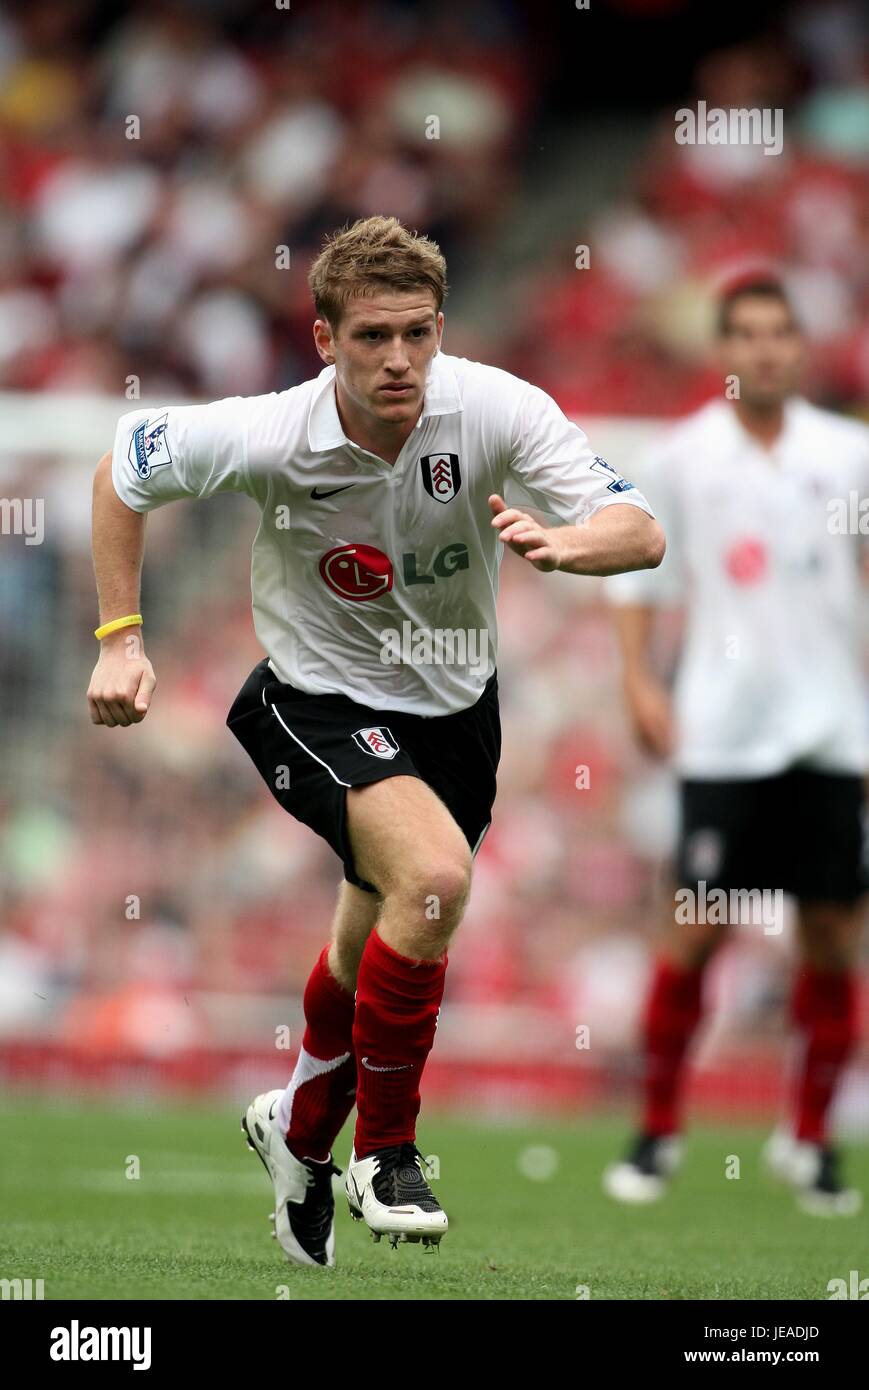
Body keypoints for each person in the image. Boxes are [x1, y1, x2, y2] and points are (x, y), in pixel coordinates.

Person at [88, 215, 664, 1265]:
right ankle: (383, 1155)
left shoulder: (495, 407)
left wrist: (569, 544)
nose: (396, 359)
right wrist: (120, 638)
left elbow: (640, 528)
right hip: (309, 702)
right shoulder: (269, 431)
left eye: (415, 333)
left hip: (455, 716)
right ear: (323, 340)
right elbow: (124, 468)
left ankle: (298, 1135)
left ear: (440, 327)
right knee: (435, 880)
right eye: (369, 337)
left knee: (373, 946)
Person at [603, 277, 869, 1216]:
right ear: (722, 350)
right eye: (745, 335)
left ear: (799, 349)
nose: (763, 351)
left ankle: (808, 1138)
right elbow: (634, 576)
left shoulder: (848, 456)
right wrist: (640, 681)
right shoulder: (681, 457)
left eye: (778, 334)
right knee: (696, 926)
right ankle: (656, 1129)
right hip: (721, 732)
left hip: (834, 731)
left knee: (832, 935)